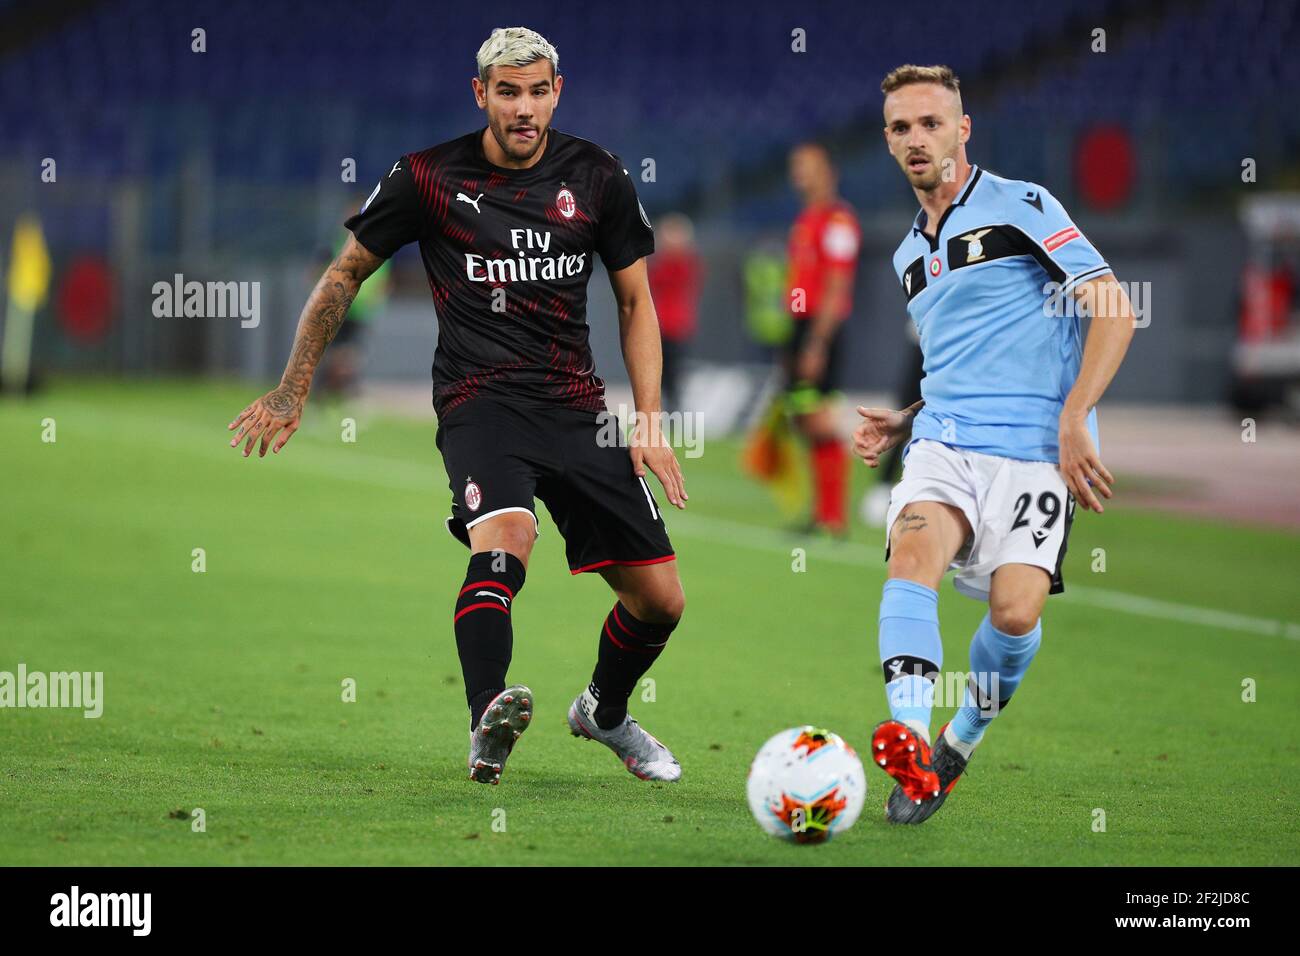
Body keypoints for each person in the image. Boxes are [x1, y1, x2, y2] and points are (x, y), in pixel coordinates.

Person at [227, 26, 687, 787]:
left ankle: (604, 712)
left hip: (575, 406)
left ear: (556, 92)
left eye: (538, 91)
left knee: (661, 601)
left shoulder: (598, 175)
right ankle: (487, 718)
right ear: (481, 95)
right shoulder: (427, 177)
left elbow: (636, 302)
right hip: (481, 404)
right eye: (508, 92)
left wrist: (649, 420)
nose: (525, 108)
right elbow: (344, 276)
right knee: (505, 547)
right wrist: (292, 385)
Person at [855, 64, 1135, 823]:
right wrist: (905, 416)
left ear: (962, 129)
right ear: (887, 142)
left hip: (1038, 450)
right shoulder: (907, 254)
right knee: (911, 559)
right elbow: (964, 358)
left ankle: (959, 738)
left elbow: (1112, 309)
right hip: (944, 443)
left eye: (931, 123)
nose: (917, 139)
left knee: (1014, 616)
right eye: (901, 128)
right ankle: (909, 741)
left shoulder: (1024, 206)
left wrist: (1077, 416)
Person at [783, 142, 862, 537]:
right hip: (802, 326)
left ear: (828, 172)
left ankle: (833, 517)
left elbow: (837, 284)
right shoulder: (808, 218)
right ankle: (823, 513)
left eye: (807, 167)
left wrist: (816, 341)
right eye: (796, 167)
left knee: (821, 420)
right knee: (805, 418)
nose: (799, 174)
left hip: (820, 328)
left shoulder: (837, 220)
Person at [646, 212, 702, 415]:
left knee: (673, 370)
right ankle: (665, 408)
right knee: (661, 370)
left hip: (675, 325)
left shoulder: (683, 263)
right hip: (660, 323)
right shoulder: (663, 263)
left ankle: (674, 409)